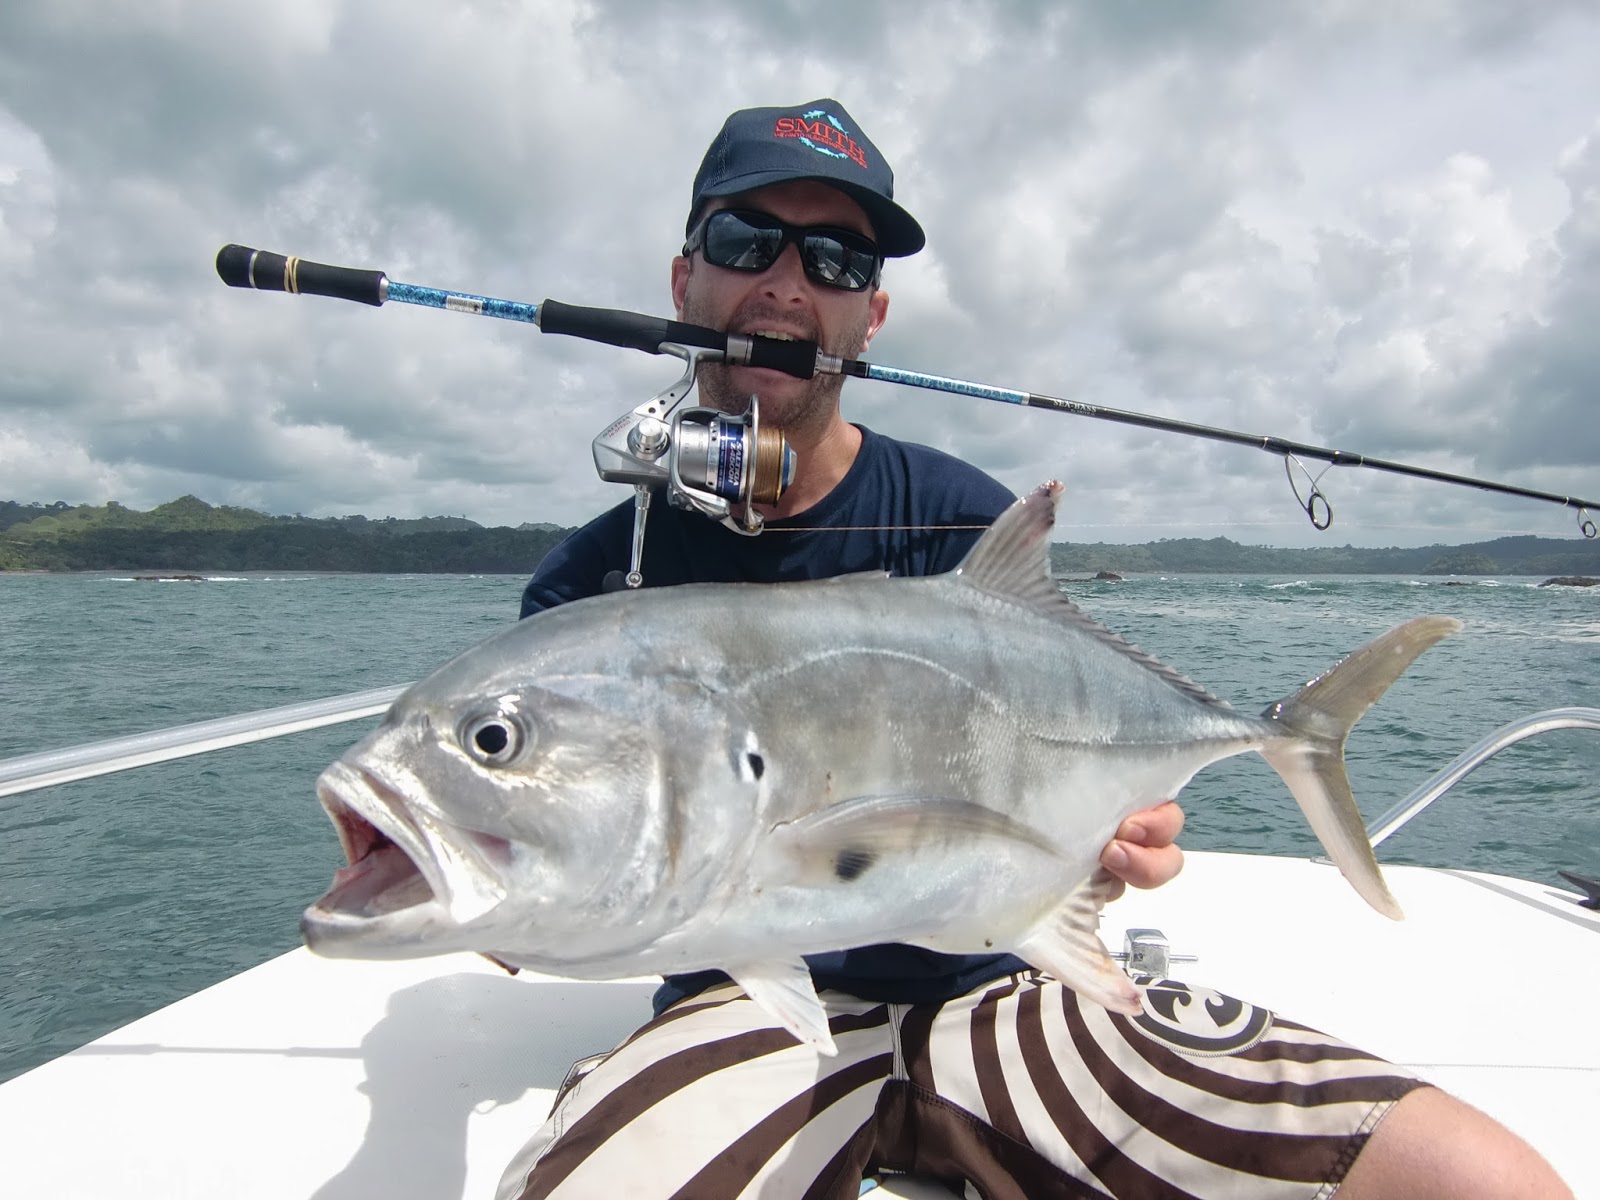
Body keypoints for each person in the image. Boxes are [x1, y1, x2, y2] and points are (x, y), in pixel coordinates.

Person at [501, 101, 1569, 1200]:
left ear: (869, 315)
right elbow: (516, 894)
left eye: (832, 258)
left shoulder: (962, 518)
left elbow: (1073, 743)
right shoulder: (594, 590)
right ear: (685, 283)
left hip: (1003, 977)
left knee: (1481, 1184)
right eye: (744, 242)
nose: (784, 284)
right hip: (741, 997)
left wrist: (1115, 834)